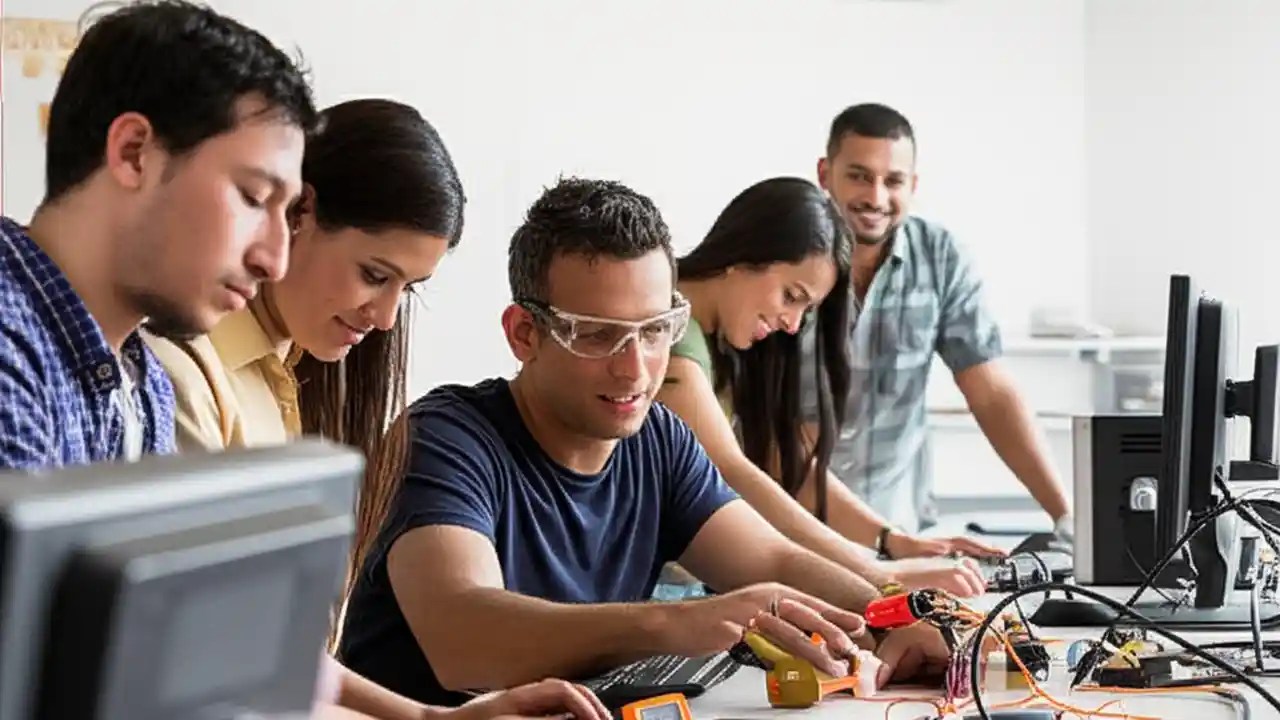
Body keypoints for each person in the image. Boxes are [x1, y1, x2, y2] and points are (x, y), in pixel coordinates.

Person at [336, 177, 950, 708]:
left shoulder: (657, 439)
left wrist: (897, 616)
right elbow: (463, 639)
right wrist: (679, 622)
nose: (635, 371)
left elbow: (771, 561)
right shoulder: (445, 439)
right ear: (525, 333)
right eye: (598, 336)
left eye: (655, 332)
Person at [143, 97, 607, 720]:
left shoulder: (287, 380)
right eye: (373, 274)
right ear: (298, 211)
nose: (386, 317)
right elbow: (216, 668)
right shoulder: (181, 376)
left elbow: (281, 654)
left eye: (406, 289)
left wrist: (432, 718)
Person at [0, 0, 313, 472]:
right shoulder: (9, 346)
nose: (275, 262)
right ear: (134, 153)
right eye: (252, 197)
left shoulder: (147, 388)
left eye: (285, 212)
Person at [659, 177, 999, 599]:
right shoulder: (670, 336)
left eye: (806, 308)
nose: (793, 323)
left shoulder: (723, 341)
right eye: (791, 295)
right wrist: (879, 575)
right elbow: (731, 471)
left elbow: (790, 465)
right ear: (743, 258)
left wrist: (891, 542)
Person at [801, 102, 1072, 541]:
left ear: (913, 184)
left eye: (893, 181)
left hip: (899, 529)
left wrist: (1067, 516)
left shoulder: (942, 256)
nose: (875, 197)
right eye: (858, 175)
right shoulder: (786, 252)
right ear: (824, 172)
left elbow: (990, 392)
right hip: (791, 527)